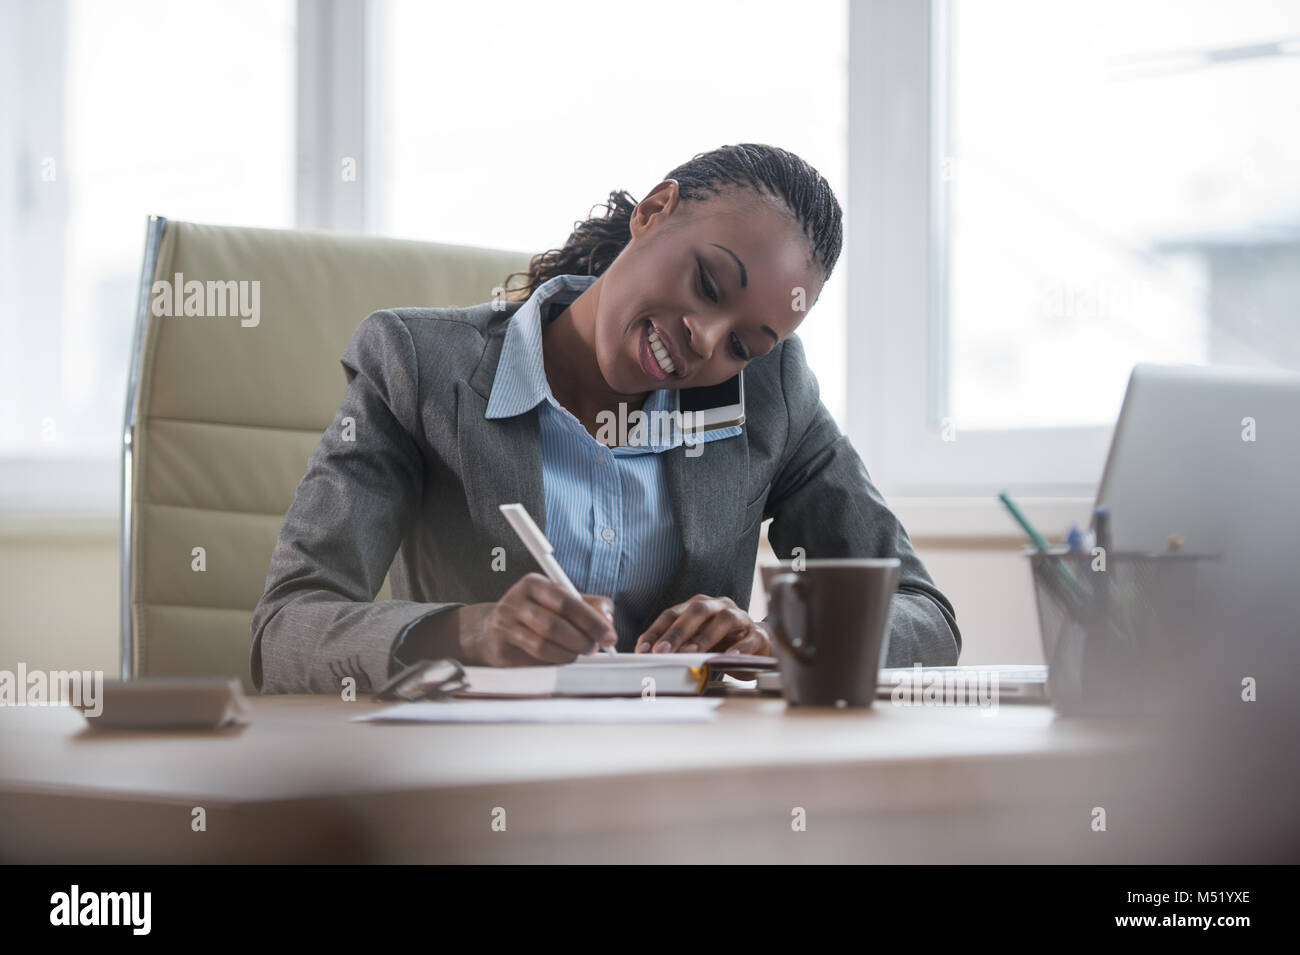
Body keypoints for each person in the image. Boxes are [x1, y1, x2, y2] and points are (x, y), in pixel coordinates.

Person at [250, 143, 960, 694]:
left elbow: (925, 614)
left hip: (677, 798)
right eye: (709, 284)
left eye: (743, 344)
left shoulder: (770, 394)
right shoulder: (416, 366)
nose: (706, 342)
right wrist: (472, 630)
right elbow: (283, 630)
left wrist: (780, 641)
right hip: (473, 789)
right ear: (653, 211)